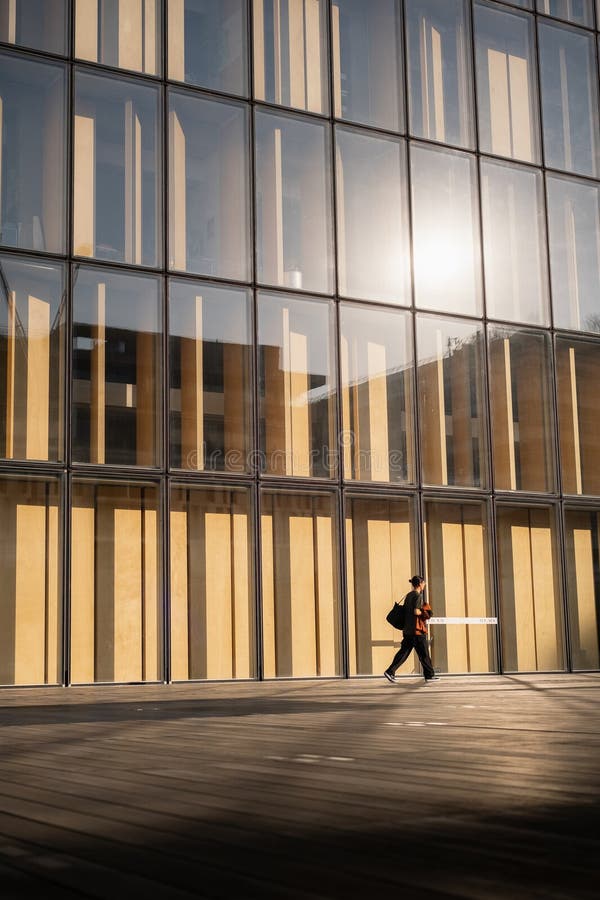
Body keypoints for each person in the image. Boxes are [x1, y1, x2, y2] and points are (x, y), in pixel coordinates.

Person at [384, 575, 440, 684]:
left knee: (403, 653)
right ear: (420, 584)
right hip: (417, 631)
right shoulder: (417, 596)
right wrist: (425, 612)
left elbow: (407, 611)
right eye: (424, 583)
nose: (424, 585)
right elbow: (416, 612)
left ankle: (390, 671)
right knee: (424, 654)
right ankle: (429, 675)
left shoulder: (408, 595)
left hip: (407, 630)